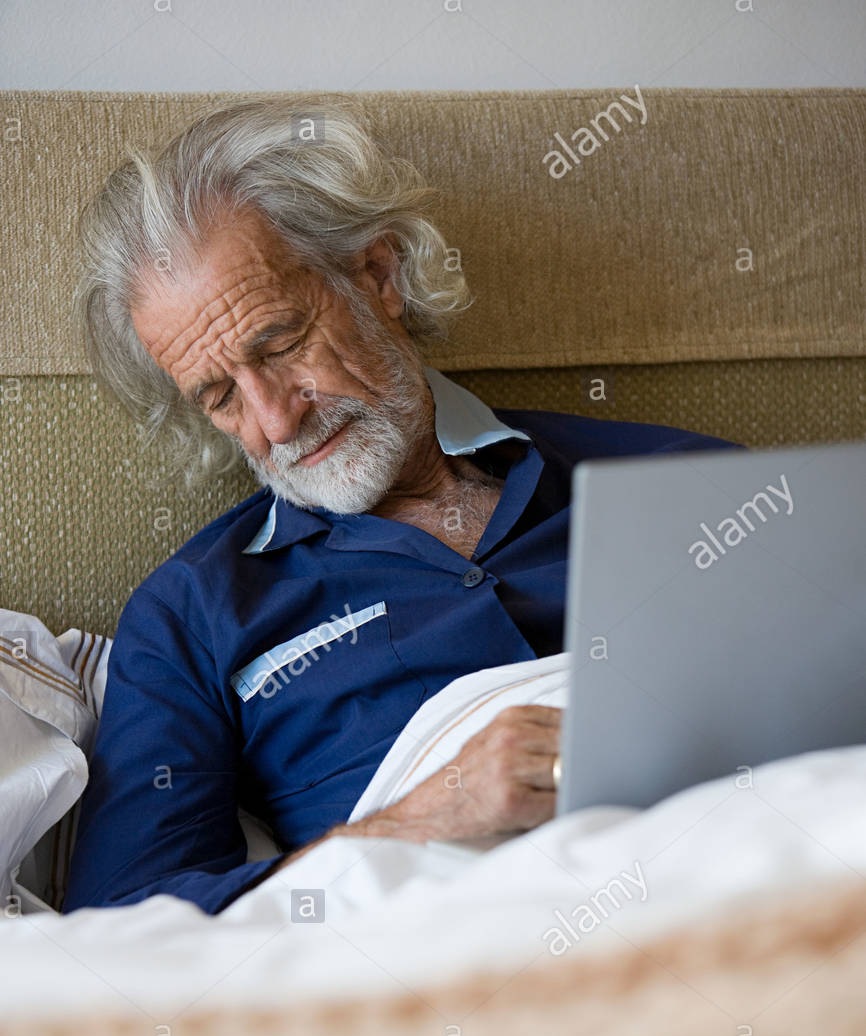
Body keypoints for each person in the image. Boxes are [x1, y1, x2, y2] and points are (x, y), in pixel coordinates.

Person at [62, 99, 741, 915]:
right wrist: (418, 820)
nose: (275, 422)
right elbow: (127, 922)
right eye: (219, 396)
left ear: (378, 277)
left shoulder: (686, 484)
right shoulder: (190, 616)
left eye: (279, 345)